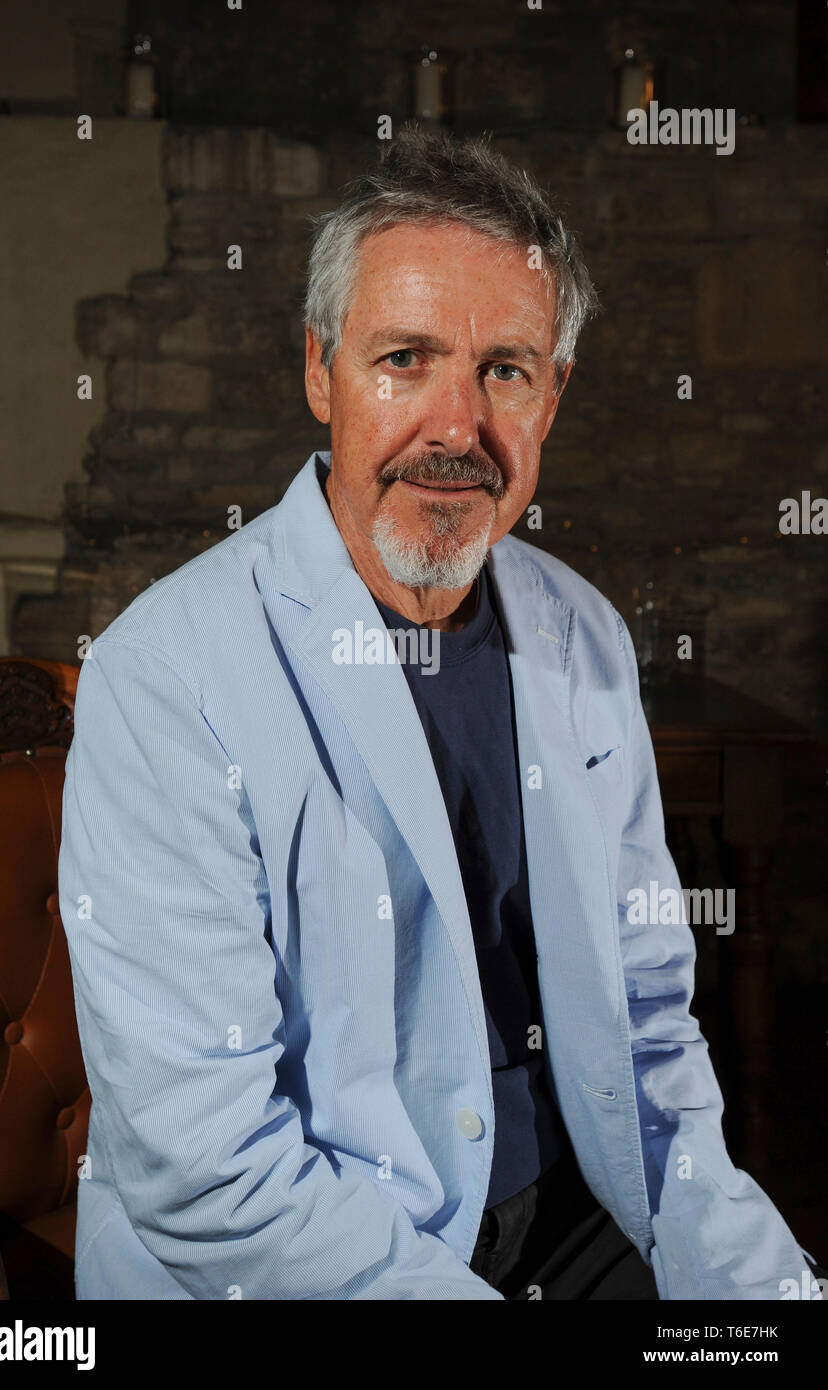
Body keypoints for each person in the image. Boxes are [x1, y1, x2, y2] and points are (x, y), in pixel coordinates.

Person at [59, 125, 822, 1300]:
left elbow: (646, 1029)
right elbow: (209, 1170)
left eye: (504, 369)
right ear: (320, 371)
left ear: (552, 397)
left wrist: (756, 1288)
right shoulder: (167, 677)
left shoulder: (581, 635)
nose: (456, 427)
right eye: (404, 359)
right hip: (310, 1258)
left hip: (574, 1221)